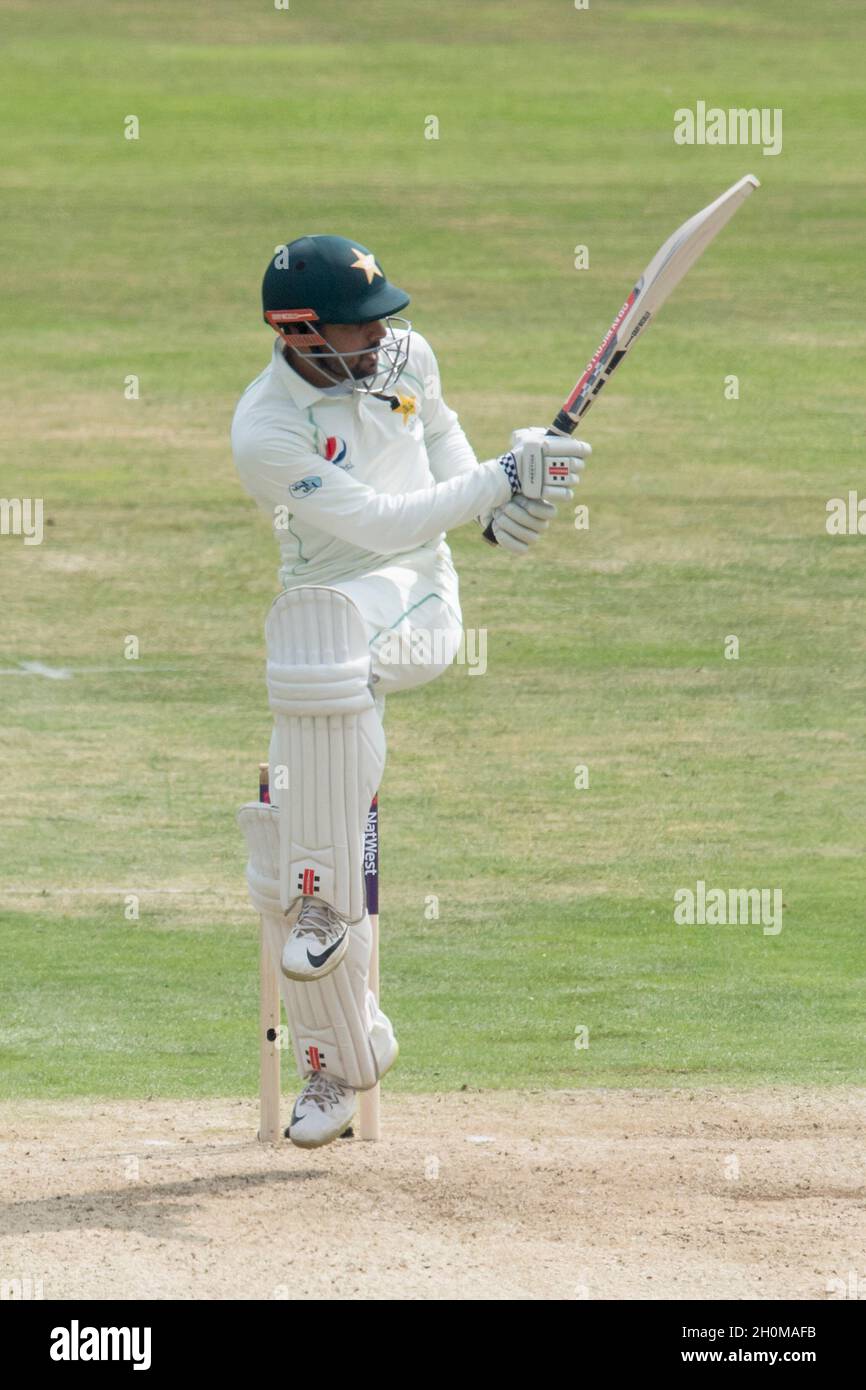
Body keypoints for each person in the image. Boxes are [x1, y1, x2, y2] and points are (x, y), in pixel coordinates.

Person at [232, 234, 590, 1147]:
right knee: (279, 820)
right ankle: (342, 1058)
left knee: (323, 663)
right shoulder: (266, 430)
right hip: (329, 605)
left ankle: (324, 898)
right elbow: (380, 518)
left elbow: (439, 446)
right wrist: (504, 477)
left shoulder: (408, 357)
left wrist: (507, 504)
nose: (385, 338)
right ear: (301, 334)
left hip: (417, 600)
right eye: (361, 326)